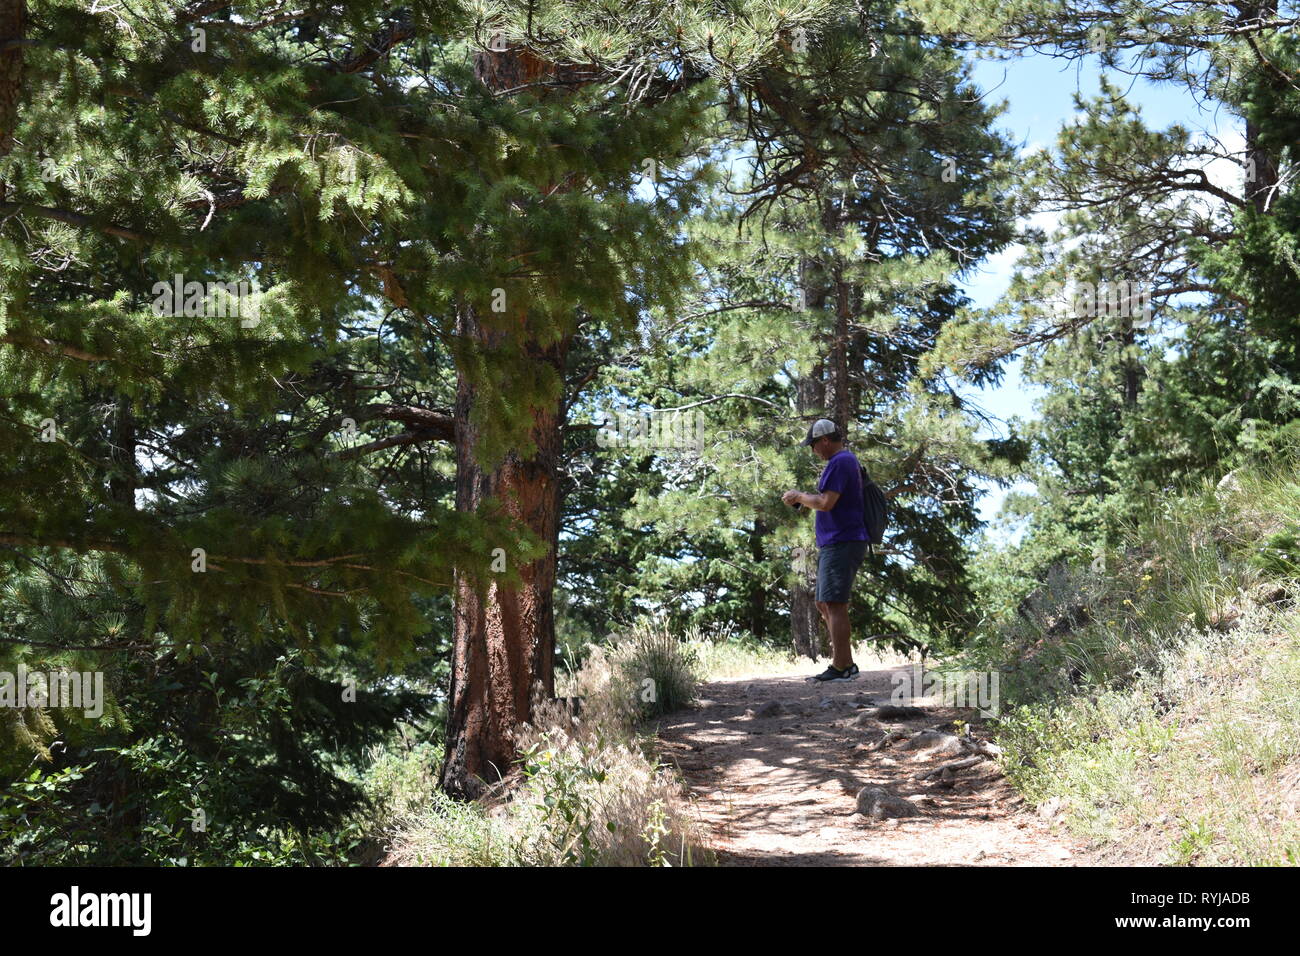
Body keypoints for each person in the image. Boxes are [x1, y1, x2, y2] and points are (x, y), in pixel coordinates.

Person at [782, 419, 867, 682]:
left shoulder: (841, 461)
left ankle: (840, 667)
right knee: (823, 603)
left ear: (825, 441)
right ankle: (846, 663)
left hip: (843, 541)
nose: (813, 451)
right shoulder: (843, 462)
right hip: (837, 542)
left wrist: (798, 497)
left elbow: (825, 502)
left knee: (834, 603)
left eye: (814, 445)